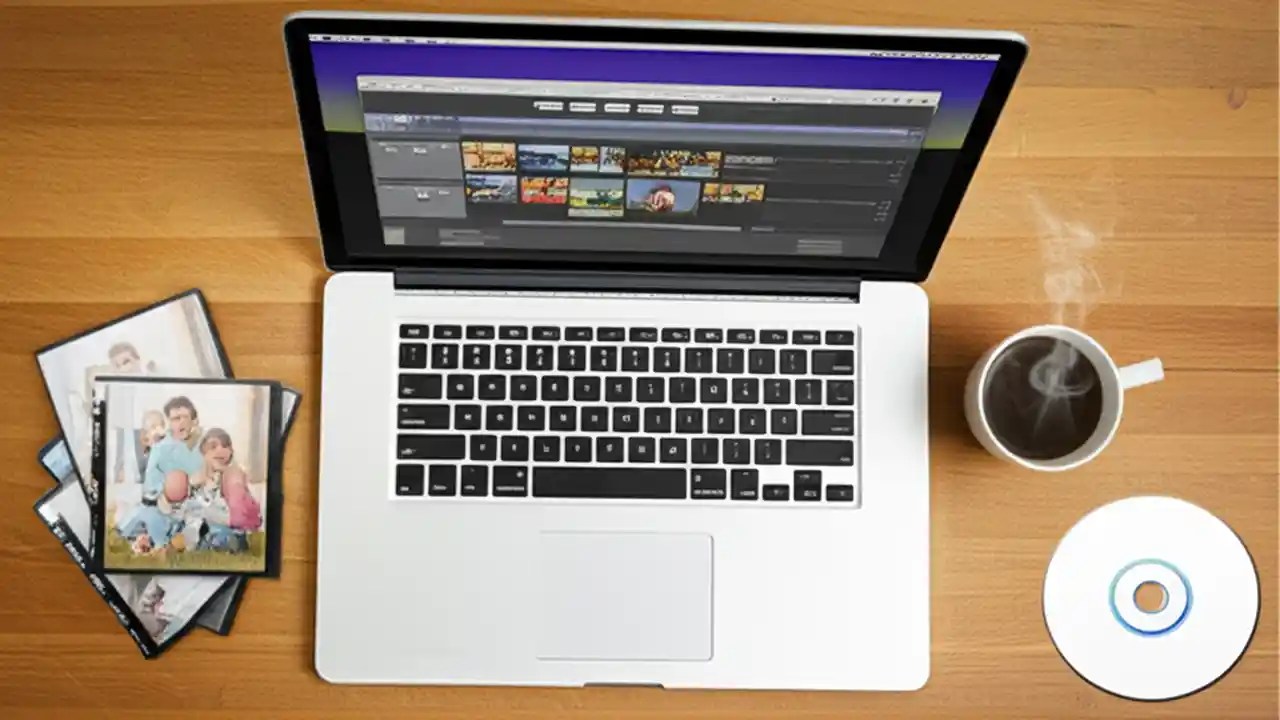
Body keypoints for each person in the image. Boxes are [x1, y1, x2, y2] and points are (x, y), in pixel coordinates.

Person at [117, 396, 204, 550]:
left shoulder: (201, 448)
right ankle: (148, 540)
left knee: (198, 520)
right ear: (170, 423)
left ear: (194, 421)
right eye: (175, 419)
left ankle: (172, 541)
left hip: (191, 505)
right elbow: (151, 487)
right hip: (163, 505)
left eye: (185, 417)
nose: (180, 423)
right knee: (149, 517)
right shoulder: (160, 448)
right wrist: (165, 491)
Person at [194, 428, 262, 552]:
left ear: (231, 451)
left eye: (225, 446)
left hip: (231, 530)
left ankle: (225, 543)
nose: (220, 450)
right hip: (209, 528)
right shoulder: (200, 478)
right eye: (213, 447)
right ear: (204, 453)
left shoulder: (233, 476)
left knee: (225, 539)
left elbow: (241, 512)